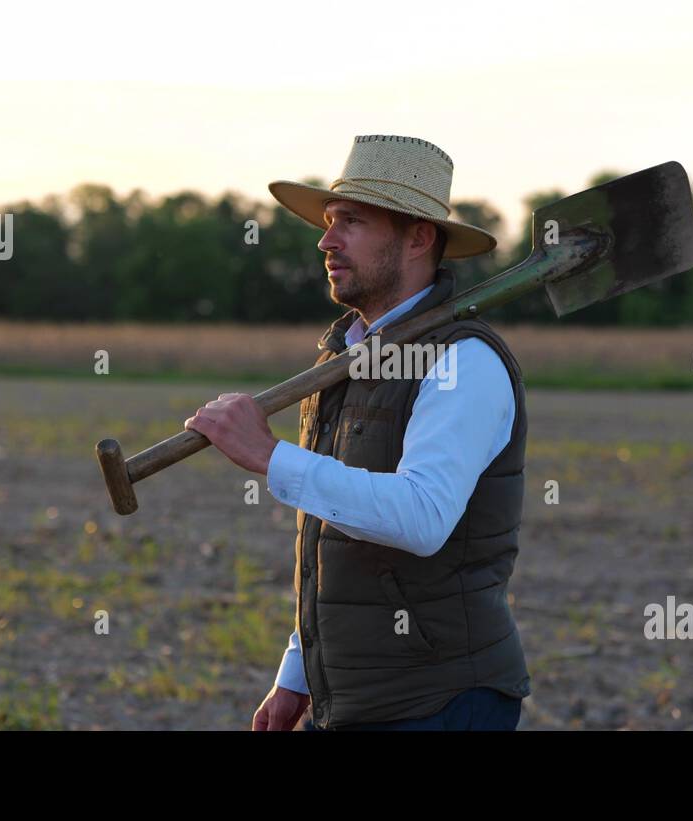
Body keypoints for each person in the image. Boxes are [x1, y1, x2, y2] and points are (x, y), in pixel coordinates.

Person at [184, 135, 531, 731]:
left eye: (352, 221)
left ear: (419, 237)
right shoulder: (343, 356)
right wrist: (297, 675)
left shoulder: (462, 363)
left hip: (441, 702)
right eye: (328, 222)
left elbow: (419, 519)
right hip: (349, 700)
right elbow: (338, 537)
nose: (326, 240)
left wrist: (271, 458)